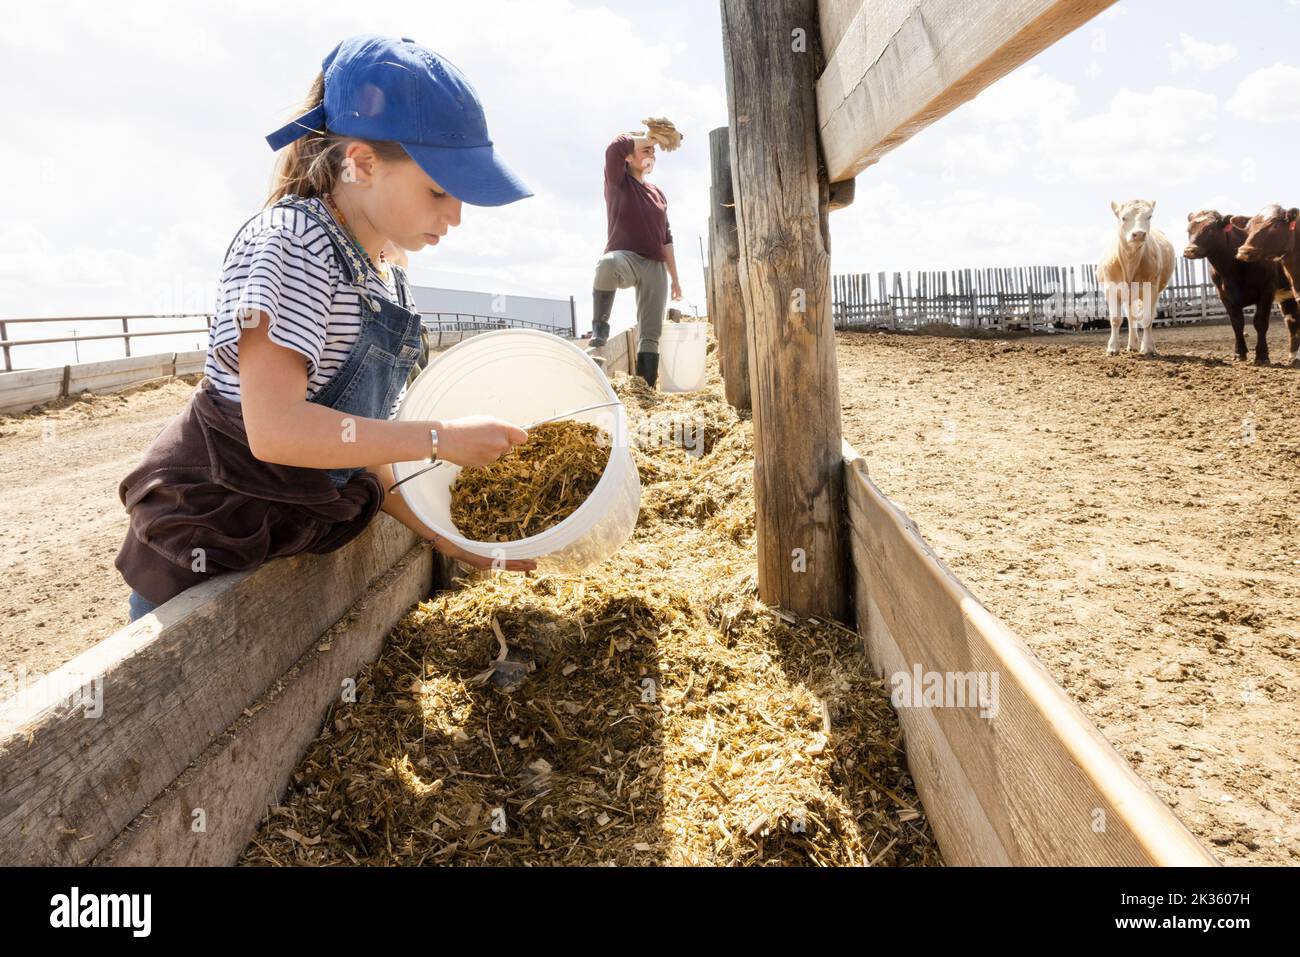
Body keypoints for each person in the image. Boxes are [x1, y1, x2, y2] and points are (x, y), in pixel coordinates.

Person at [118, 35, 538, 623]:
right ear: (362, 164)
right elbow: (276, 430)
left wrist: (448, 540)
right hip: (211, 542)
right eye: (439, 190)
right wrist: (439, 437)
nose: (455, 216)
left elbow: (359, 445)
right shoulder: (294, 245)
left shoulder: (385, 273)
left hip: (288, 541)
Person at [590, 119, 683, 387]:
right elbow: (613, 147)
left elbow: (666, 238)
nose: (651, 153)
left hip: (654, 266)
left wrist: (675, 278)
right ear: (629, 157)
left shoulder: (657, 193)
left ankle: (647, 389)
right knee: (606, 265)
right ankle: (600, 326)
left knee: (651, 332)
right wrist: (652, 137)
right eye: (646, 150)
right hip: (626, 258)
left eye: (654, 152)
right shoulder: (617, 182)